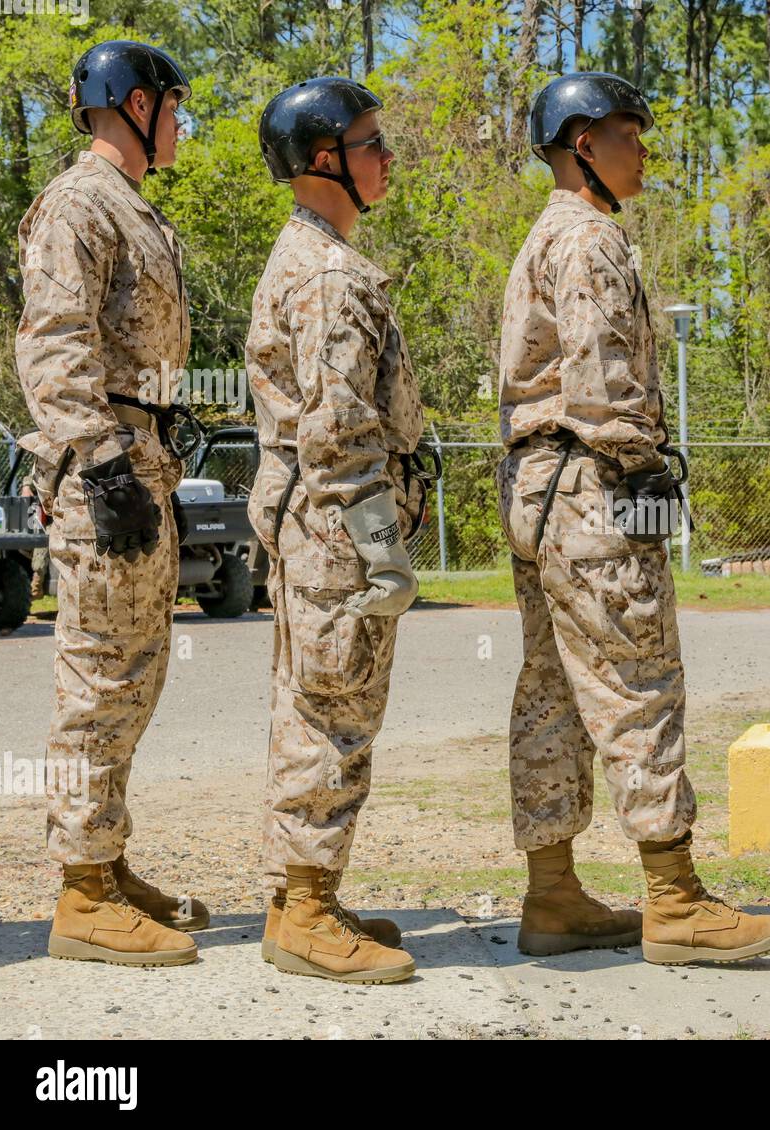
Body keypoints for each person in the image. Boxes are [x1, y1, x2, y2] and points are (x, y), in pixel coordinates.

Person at [497, 72, 770, 965]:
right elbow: (602, 386)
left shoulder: (544, 237)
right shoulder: (588, 239)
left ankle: (552, 893)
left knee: (552, 690)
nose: (645, 148)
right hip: (592, 483)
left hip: (539, 485)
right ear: (583, 141)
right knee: (638, 681)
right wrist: (645, 468)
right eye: (632, 131)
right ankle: (675, 901)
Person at [16, 40, 208, 967]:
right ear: (134, 104)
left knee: (134, 678)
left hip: (143, 460)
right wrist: (100, 465)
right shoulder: (79, 204)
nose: (180, 123)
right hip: (109, 473)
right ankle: (82, 893)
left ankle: (106, 857)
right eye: (173, 106)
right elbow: (53, 344)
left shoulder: (133, 210)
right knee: (97, 680)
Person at [246, 77, 431, 983]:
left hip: (318, 522)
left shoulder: (321, 257)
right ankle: (308, 912)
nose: (386, 155)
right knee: (333, 713)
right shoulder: (326, 275)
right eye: (370, 142)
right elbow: (338, 423)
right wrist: (380, 543)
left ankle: (300, 897)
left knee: (314, 706)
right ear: (325, 161)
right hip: (335, 529)